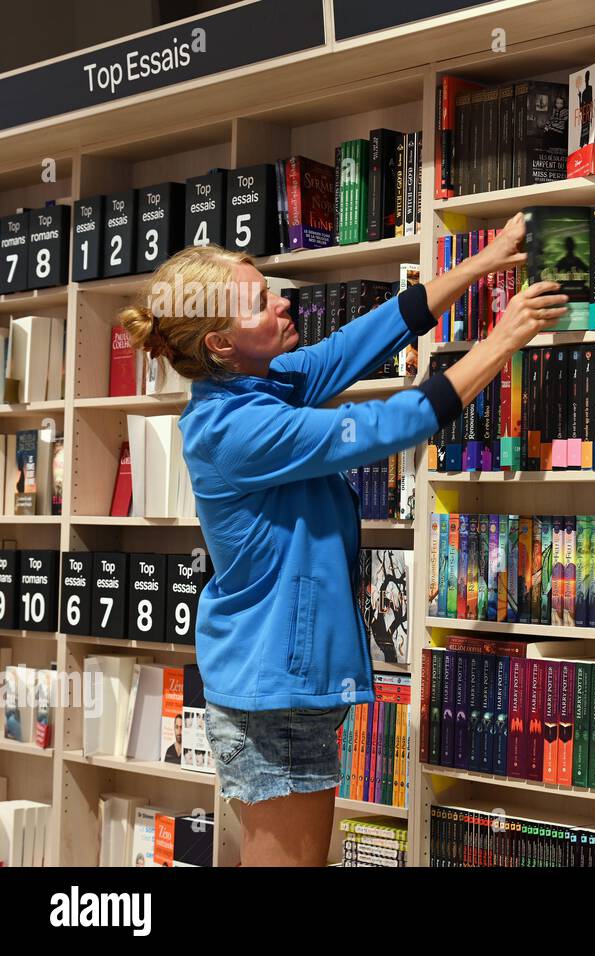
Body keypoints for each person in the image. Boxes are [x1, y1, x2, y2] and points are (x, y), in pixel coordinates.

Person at [119, 213, 566, 865]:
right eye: (260, 302)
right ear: (220, 343)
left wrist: (482, 260)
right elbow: (387, 424)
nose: (282, 301)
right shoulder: (233, 429)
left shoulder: (264, 382)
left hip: (284, 687)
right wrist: (502, 340)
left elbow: (359, 341)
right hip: (272, 694)